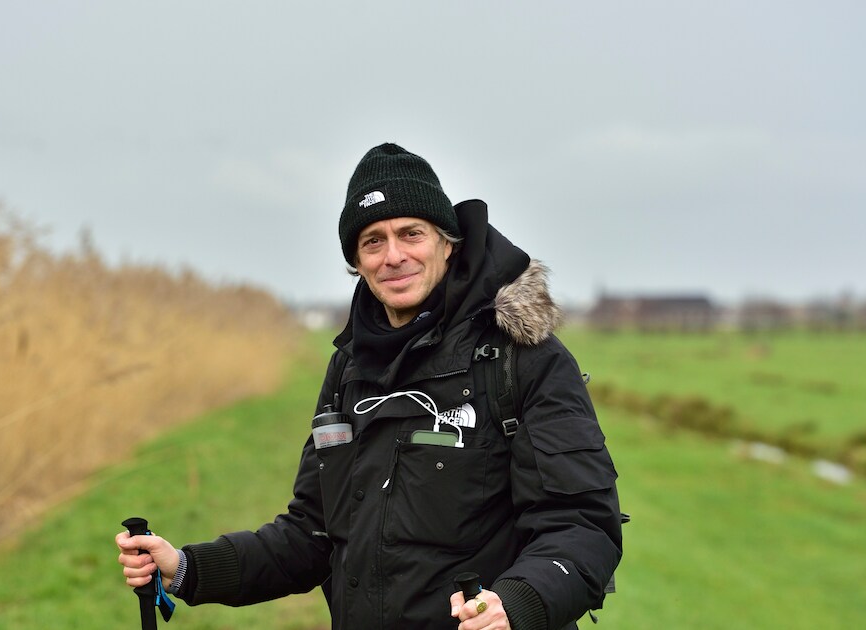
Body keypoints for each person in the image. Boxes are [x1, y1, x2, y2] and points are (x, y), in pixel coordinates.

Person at [117, 143, 622, 629]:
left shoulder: (524, 358)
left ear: (448, 241)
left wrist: (518, 604)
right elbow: (313, 535)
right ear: (355, 261)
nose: (393, 255)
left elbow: (581, 526)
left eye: (411, 233)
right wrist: (185, 568)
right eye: (372, 241)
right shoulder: (348, 369)